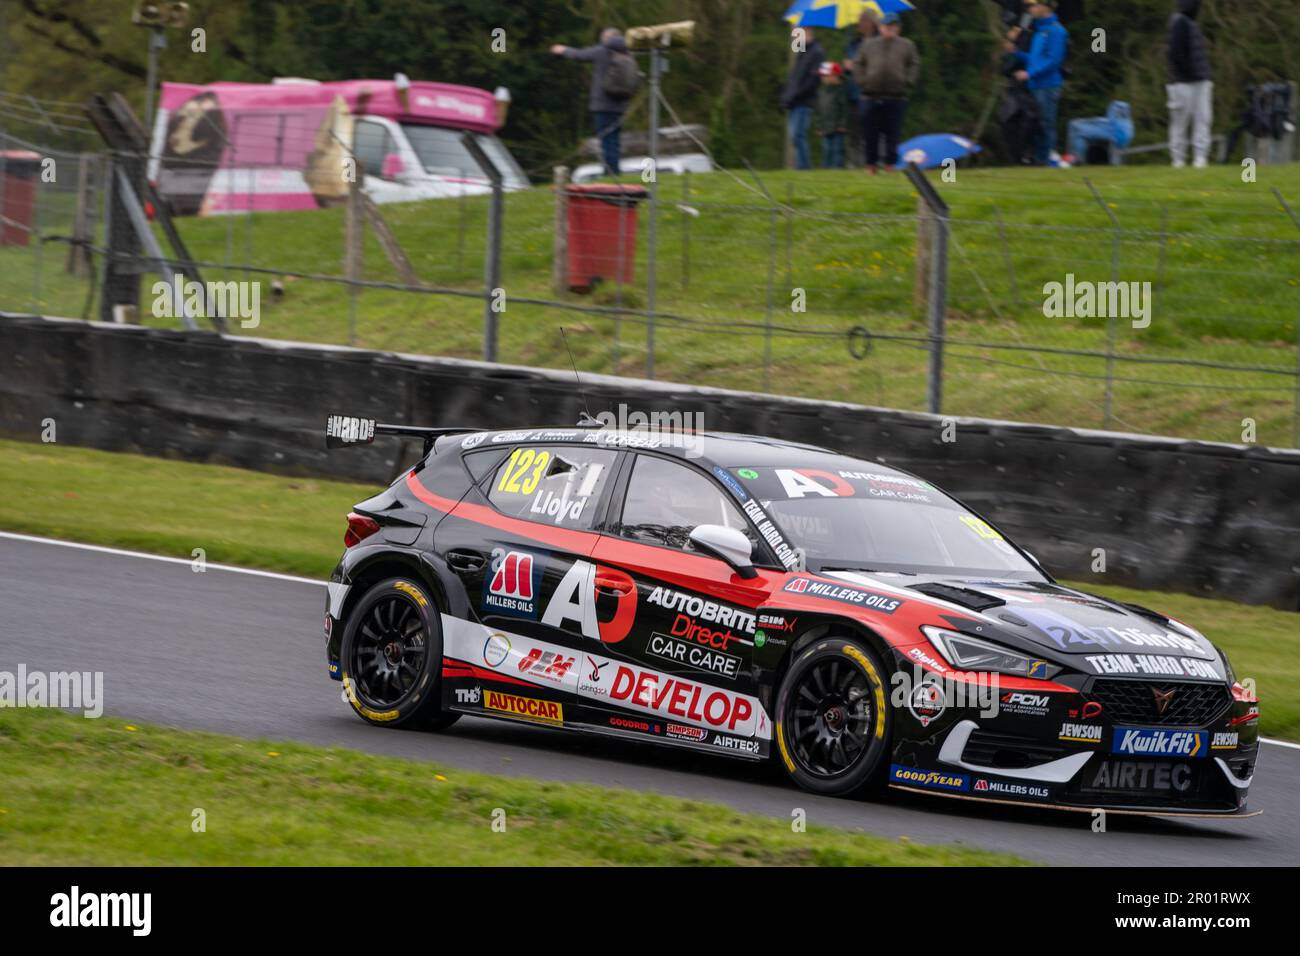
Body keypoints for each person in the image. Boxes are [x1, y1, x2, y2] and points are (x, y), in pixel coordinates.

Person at [551, 28, 635, 177]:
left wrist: (563, 50)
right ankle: (614, 171)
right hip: (620, 105)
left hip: (602, 105)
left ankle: (610, 173)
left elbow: (579, 55)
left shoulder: (602, 51)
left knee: (605, 141)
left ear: (605, 39)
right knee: (614, 141)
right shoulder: (627, 53)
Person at [852, 13, 920, 173]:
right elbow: (858, 64)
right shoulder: (868, 45)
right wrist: (862, 81)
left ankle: (890, 165)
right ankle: (871, 165)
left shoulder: (907, 45)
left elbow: (914, 63)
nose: (890, 29)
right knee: (870, 134)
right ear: (880, 27)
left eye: (893, 26)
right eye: (887, 26)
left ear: (898, 28)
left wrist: (908, 81)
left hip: (896, 97)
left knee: (893, 134)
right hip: (870, 96)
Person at [1011, 1, 1068, 166]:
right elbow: (1035, 60)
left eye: (1034, 6)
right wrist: (1016, 53)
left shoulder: (1057, 31)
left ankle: (1046, 160)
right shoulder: (1039, 31)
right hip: (1035, 85)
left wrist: (1029, 73)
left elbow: (1053, 61)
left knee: (1046, 124)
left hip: (1048, 86)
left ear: (1046, 7)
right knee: (1036, 125)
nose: (1031, 10)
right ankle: (1038, 159)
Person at [1166, 0, 1212, 168]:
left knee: (1202, 119)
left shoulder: (1190, 24)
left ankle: (1200, 158)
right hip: (1183, 82)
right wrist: (1188, 72)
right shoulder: (1180, 23)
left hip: (1199, 80)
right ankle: (1178, 160)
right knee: (1181, 121)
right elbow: (1175, 54)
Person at [781, 26, 824, 170]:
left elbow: (813, 81)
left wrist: (795, 95)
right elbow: (794, 77)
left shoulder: (817, 52)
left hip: (804, 100)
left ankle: (805, 167)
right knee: (795, 136)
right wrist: (787, 96)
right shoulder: (801, 51)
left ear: (809, 32)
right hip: (794, 100)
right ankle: (801, 166)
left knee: (798, 135)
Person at [842, 10, 880, 168]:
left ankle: (873, 162)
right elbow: (848, 68)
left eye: (862, 20)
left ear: (871, 23)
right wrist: (846, 66)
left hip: (872, 92)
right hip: (853, 93)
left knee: (872, 130)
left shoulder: (880, 43)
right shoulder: (853, 44)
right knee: (855, 132)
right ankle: (855, 164)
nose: (858, 23)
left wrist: (857, 66)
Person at [815, 62, 849, 168]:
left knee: (837, 150)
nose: (823, 78)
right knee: (826, 150)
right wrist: (819, 126)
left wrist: (842, 125)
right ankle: (826, 168)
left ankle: (837, 168)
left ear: (835, 76)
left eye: (825, 75)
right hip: (825, 128)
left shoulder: (840, 92)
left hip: (837, 128)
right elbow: (818, 111)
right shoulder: (821, 93)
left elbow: (844, 109)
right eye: (822, 76)